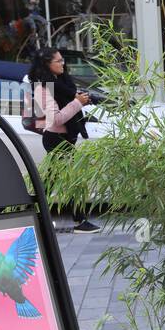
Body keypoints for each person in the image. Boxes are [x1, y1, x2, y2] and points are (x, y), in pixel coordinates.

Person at [28, 48, 98, 233]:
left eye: (62, 60)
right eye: (58, 61)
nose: (63, 63)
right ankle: (80, 221)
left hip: (65, 138)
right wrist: (77, 103)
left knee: (50, 182)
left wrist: (80, 102)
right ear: (47, 65)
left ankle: (33, 215)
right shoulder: (42, 87)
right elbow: (55, 119)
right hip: (56, 139)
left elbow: (69, 103)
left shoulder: (62, 82)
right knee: (73, 180)